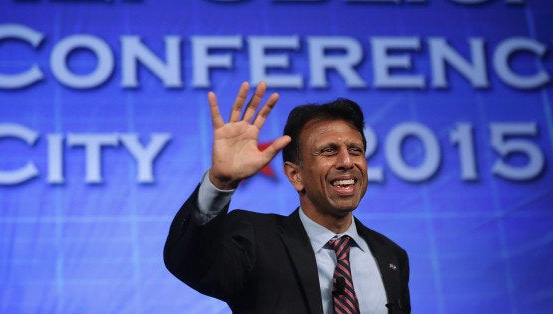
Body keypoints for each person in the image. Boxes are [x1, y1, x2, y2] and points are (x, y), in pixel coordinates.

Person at [164, 82, 410, 314]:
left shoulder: (391, 256)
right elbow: (191, 263)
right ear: (295, 175)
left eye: (355, 150)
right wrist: (221, 182)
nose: (347, 162)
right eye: (329, 151)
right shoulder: (256, 240)